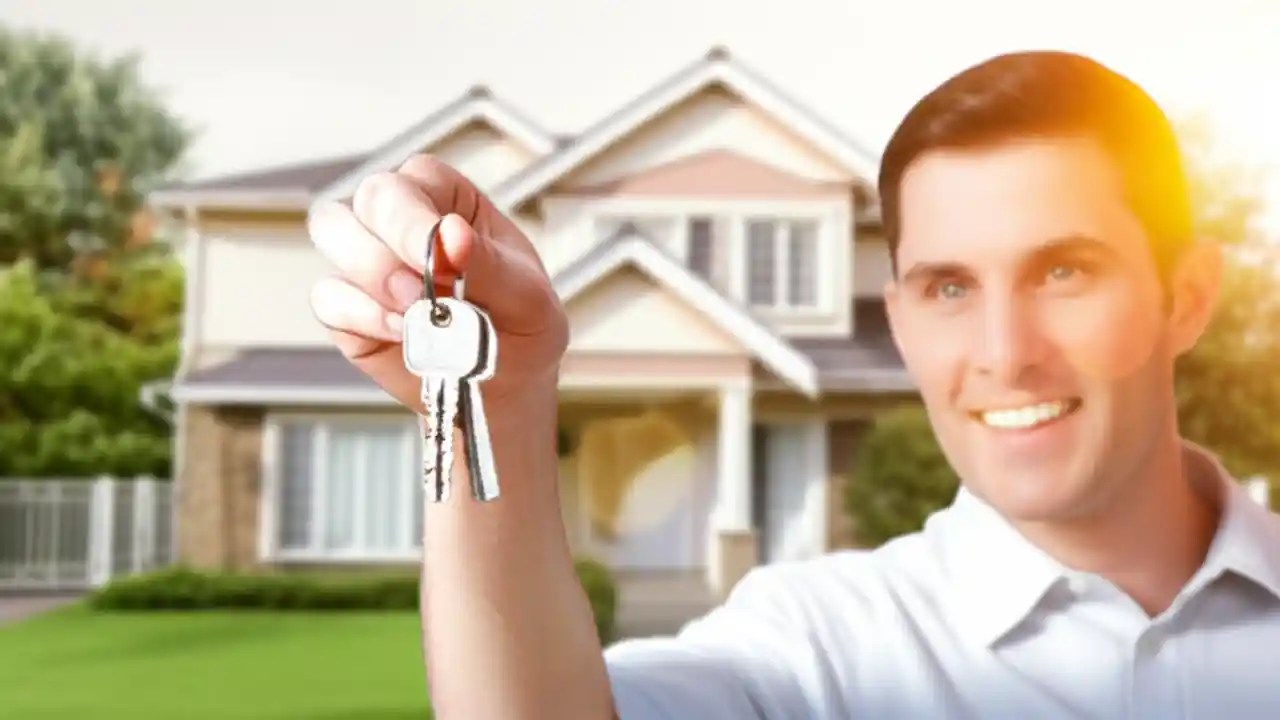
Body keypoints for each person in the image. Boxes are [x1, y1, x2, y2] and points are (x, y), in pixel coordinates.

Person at [305, 49, 1280, 719]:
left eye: (1061, 271)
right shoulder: (819, 649)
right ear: (896, 318)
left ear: (1185, 296)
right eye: (947, 286)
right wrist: (501, 399)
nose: (1004, 349)